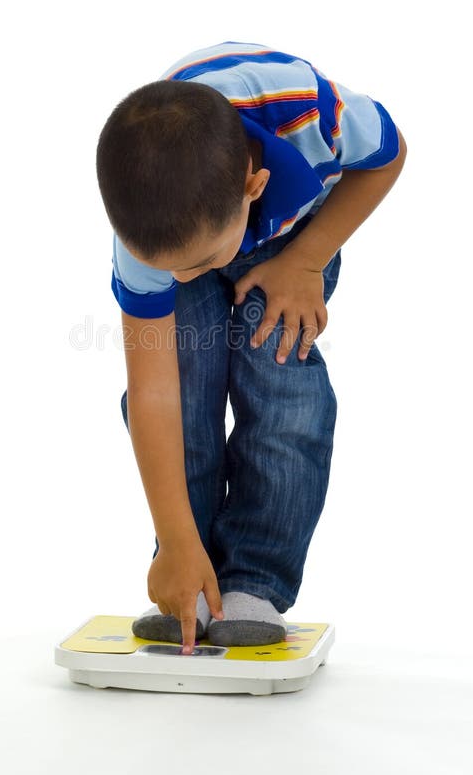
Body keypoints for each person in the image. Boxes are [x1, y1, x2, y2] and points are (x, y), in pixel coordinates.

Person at [95, 40, 407, 655]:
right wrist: (174, 536)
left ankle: (253, 583)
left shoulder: (310, 116)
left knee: (282, 385)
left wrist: (307, 260)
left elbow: (389, 155)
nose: (183, 282)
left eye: (198, 265)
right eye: (169, 270)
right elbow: (156, 394)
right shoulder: (150, 242)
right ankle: (193, 572)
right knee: (185, 386)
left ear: (253, 186)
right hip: (207, 218)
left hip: (292, 234)